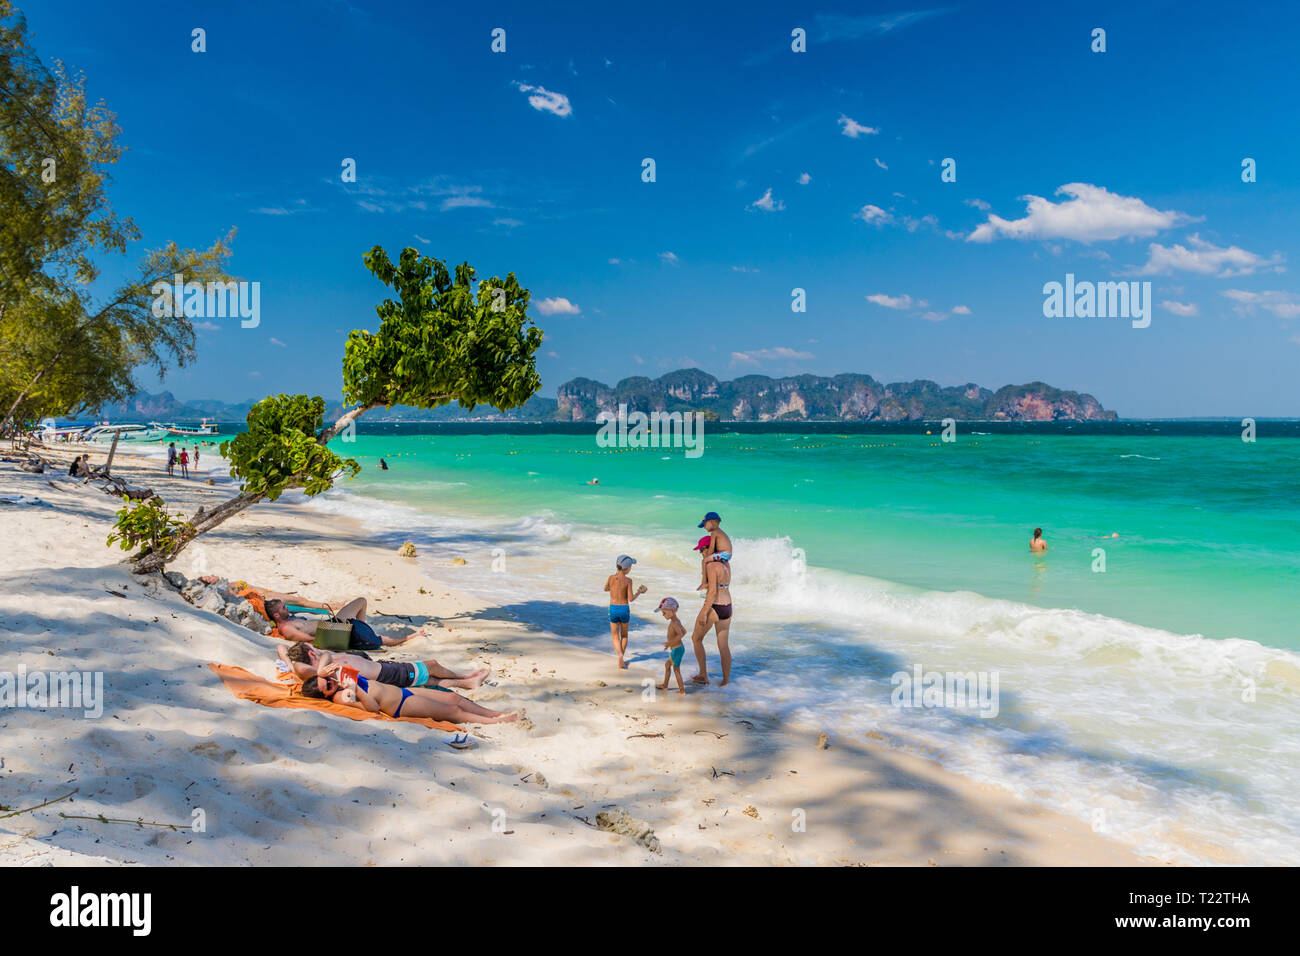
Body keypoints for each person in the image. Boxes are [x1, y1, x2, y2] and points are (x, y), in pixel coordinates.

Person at [301, 672, 520, 725]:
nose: (332, 682)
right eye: (328, 686)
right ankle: (497, 722)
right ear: (326, 695)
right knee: (454, 713)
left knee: (454, 698)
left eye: (328, 678)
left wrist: (328, 672)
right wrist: (357, 689)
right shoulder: (341, 697)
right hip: (400, 705)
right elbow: (373, 708)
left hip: (405, 692)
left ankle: (495, 713)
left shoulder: (339, 680)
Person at [277, 642, 489, 690]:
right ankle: (464, 677)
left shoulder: (324, 663)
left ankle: (467, 683)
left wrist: (289, 661)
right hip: (387, 674)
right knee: (431, 666)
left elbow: (281, 647)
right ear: (311, 653)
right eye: (311, 647)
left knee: (426, 679)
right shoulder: (324, 668)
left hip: (383, 669)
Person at [265, 597, 411, 649]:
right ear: (277, 615)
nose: (287, 608)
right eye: (284, 608)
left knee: (361, 604)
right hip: (332, 630)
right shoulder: (287, 628)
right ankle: (406, 638)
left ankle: (364, 632)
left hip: (332, 625)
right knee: (361, 602)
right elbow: (308, 640)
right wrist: (336, 645)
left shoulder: (289, 619)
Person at [689, 548, 733, 686]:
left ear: (709, 549)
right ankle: (726, 681)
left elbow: (713, 591)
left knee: (696, 638)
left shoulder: (711, 565)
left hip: (715, 606)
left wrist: (704, 612)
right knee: (723, 645)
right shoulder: (726, 564)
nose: (701, 553)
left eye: (702, 550)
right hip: (727, 606)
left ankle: (703, 675)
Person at [604, 554, 647, 669]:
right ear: (627, 568)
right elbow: (631, 599)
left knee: (614, 636)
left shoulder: (611, 578)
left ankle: (620, 656)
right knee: (624, 635)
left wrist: (612, 588)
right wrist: (639, 592)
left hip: (613, 608)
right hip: (624, 609)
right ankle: (621, 658)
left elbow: (605, 588)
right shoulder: (628, 580)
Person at [655, 597, 687, 694]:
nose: (663, 615)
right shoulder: (676, 620)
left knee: (676, 669)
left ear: (672, 610)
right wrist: (670, 644)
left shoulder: (674, 622)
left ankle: (682, 690)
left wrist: (669, 643)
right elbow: (684, 632)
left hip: (677, 649)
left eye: (664, 613)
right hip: (677, 648)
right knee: (667, 665)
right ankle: (665, 685)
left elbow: (681, 634)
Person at [695, 511, 732, 590]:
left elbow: (711, 548)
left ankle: (704, 583)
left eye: (705, 525)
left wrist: (707, 557)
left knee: (704, 561)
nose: (704, 527)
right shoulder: (720, 532)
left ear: (712, 522)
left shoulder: (714, 533)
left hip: (724, 554)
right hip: (726, 554)